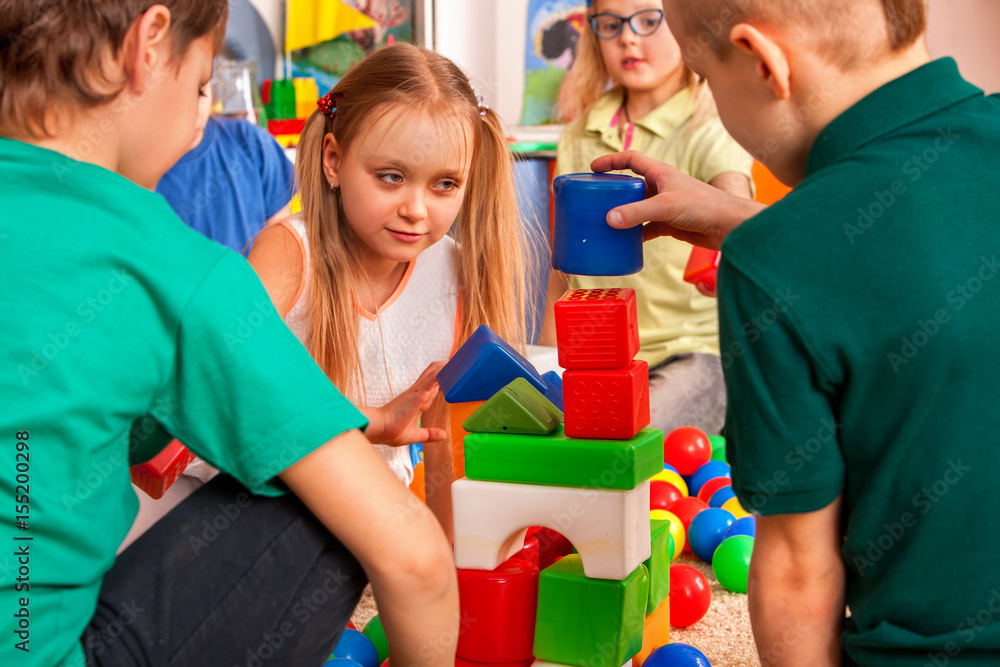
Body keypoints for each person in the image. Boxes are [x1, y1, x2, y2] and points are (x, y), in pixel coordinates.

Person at [0, 3, 457, 666]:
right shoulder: (172, 267)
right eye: (200, 84)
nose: (197, 126)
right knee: (336, 501)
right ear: (148, 45)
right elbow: (416, 558)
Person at [591, 0, 1000, 664]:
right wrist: (755, 225)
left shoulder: (770, 267)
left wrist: (773, 247)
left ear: (762, 62)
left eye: (704, 74)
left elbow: (797, 571)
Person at [247, 43, 532, 539]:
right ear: (333, 161)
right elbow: (225, 397)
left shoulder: (454, 272)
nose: (416, 209)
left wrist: (454, 567)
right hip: (258, 502)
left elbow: (445, 444)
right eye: (391, 177)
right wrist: (370, 420)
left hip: (362, 520)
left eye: (444, 184)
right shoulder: (292, 254)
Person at [540, 0, 753, 436]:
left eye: (649, 20)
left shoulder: (709, 122)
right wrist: (547, 359)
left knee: (619, 437)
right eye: (610, 23)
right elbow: (560, 267)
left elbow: (734, 194)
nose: (628, 37)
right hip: (593, 357)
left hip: (691, 351)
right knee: (553, 437)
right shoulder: (580, 132)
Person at [156, 82, 295, 253]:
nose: (189, 112)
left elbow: (284, 247)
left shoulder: (252, 143)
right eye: (170, 95)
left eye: (199, 92)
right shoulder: (133, 172)